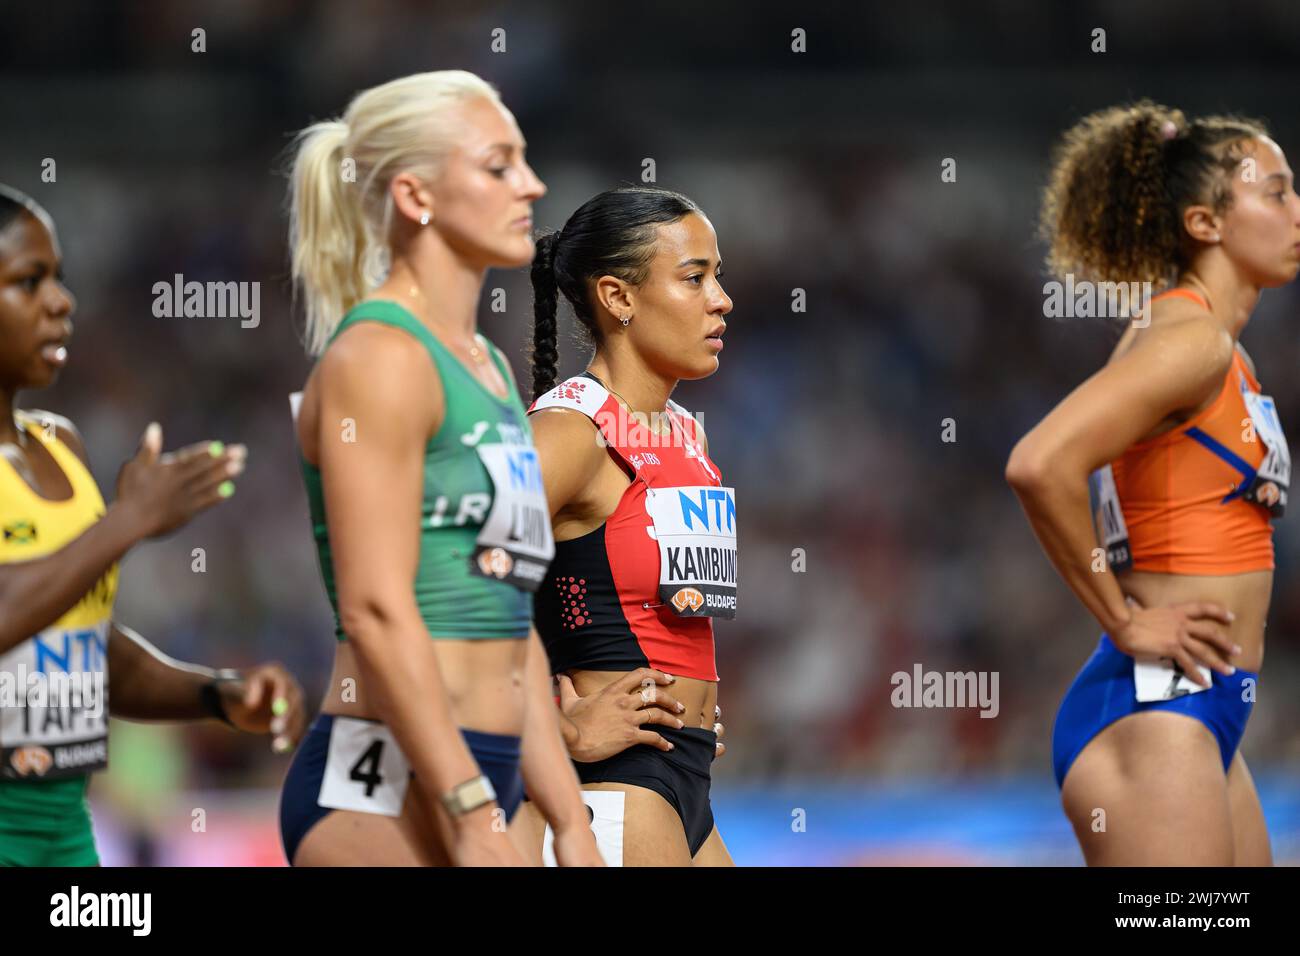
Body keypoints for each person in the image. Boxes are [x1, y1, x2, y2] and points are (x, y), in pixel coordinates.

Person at [279, 71, 602, 866]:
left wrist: (570, 821)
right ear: (416, 195)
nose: (531, 184)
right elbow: (377, 610)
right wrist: (465, 808)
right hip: (388, 782)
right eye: (498, 166)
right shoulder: (379, 359)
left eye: (524, 160)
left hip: (488, 776)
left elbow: (508, 613)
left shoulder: (488, 366)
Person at [1007, 101, 1300, 865]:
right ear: (1205, 223)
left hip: (1200, 703)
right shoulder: (1192, 339)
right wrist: (1124, 619)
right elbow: (1041, 463)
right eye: (1275, 191)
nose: (1296, 209)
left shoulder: (1220, 351)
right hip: (1153, 703)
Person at [0, 184, 307, 867]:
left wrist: (218, 694)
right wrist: (127, 522)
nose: (61, 302)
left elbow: (84, 653)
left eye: (59, 279)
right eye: (29, 281)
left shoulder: (60, 446)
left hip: (65, 831)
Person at [516, 186, 736, 865]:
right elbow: (446, 566)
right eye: (695, 277)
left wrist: (694, 707)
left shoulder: (684, 438)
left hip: (683, 777)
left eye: (718, 275)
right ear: (618, 297)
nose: (721, 299)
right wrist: (555, 726)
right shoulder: (570, 432)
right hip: (609, 784)